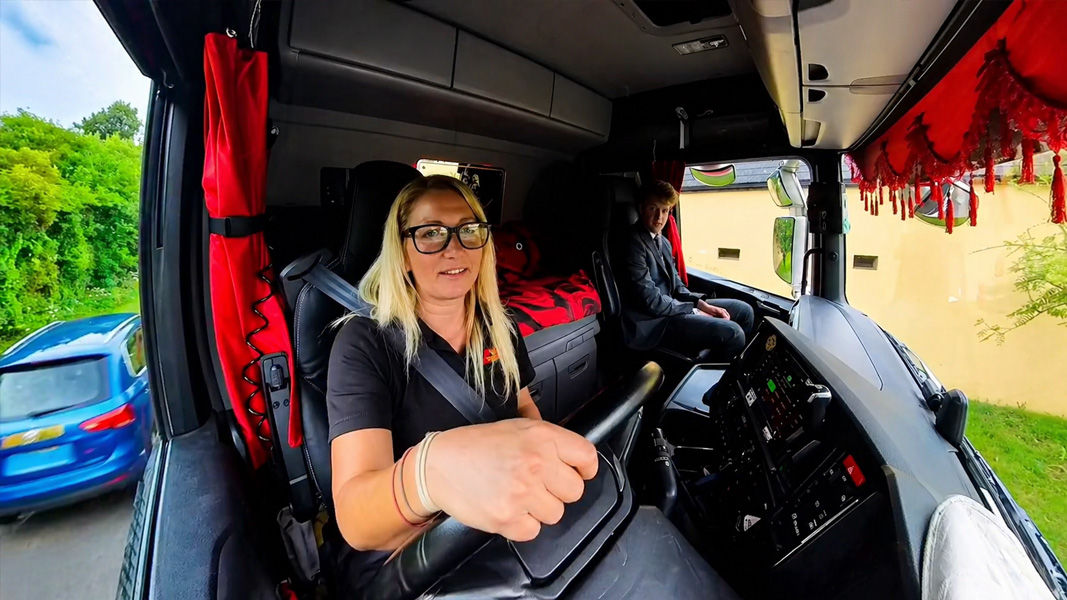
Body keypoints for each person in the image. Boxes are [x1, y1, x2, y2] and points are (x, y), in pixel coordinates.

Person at [325, 175, 599, 590]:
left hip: (503, 528)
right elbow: (356, 519)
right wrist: (430, 471)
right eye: (431, 233)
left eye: (469, 230)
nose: (454, 248)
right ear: (402, 252)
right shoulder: (364, 342)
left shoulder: (500, 327)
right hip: (418, 552)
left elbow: (524, 408)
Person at [619, 179, 755, 361]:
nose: (659, 217)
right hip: (652, 323)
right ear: (641, 207)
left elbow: (678, 286)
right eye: (653, 208)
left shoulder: (663, 241)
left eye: (665, 210)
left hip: (670, 308)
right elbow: (650, 300)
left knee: (745, 310)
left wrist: (701, 304)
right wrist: (692, 311)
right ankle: (718, 384)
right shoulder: (632, 242)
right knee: (733, 333)